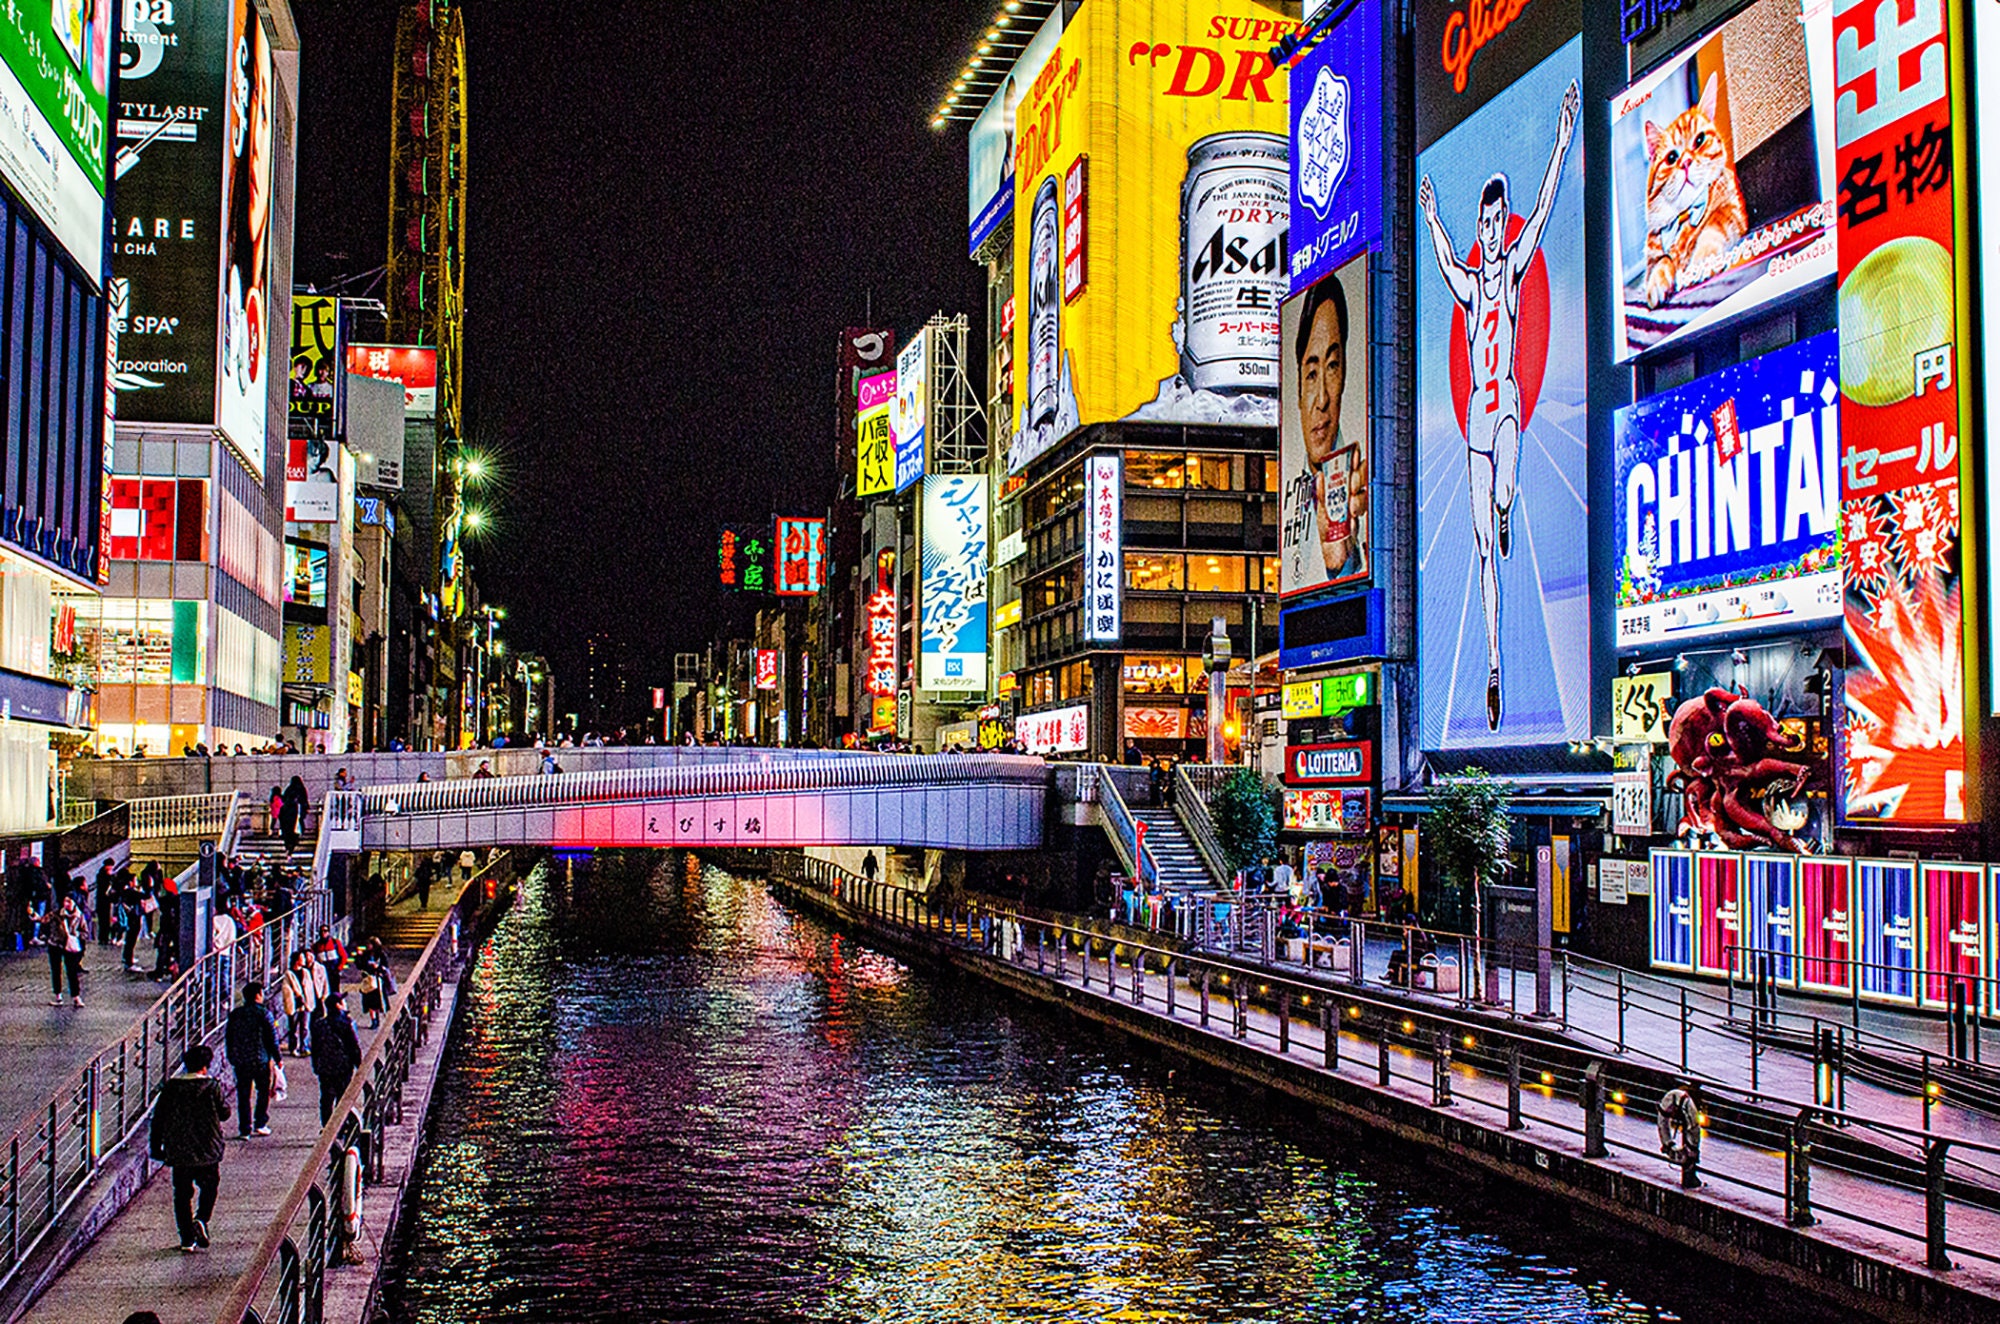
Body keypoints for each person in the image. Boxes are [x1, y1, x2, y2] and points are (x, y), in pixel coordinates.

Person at [1419, 78, 1578, 730]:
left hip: (1505, 402)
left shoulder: (1509, 271)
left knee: (1505, 494)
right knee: (1484, 551)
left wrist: (1563, 138)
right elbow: (1445, 261)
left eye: (1494, 219)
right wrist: (1431, 218)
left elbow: (1543, 209)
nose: (1489, 230)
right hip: (1475, 425)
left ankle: (1508, 507)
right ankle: (1490, 664)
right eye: (1482, 223)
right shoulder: (1468, 279)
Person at [149, 1044, 228, 1253]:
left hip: (180, 1150)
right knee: (209, 1187)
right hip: (208, 1148)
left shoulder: (171, 1088)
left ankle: (186, 1239)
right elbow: (225, 1113)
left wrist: (156, 1147)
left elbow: (158, 1120)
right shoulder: (212, 1087)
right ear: (205, 1065)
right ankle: (202, 1219)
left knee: (182, 1194)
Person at [224, 981, 282, 1138]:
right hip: (260, 1060)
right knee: (263, 1092)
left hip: (241, 1061)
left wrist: (232, 1056)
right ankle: (260, 1123)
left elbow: (229, 1038)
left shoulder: (235, 1014)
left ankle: (245, 1129)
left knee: (243, 1095)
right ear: (258, 995)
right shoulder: (264, 1014)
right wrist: (278, 1057)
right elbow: (272, 1038)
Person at [311, 992, 363, 1125]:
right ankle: (341, 1125)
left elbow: (315, 1048)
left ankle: (326, 1126)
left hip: (325, 1067)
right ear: (338, 1005)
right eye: (342, 1002)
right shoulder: (346, 1024)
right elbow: (353, 1046)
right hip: (343, 1066)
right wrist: (359, 1065)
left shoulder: (319, 1025)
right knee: (342, 1097)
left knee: (326, 1098)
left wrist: (316, 1066)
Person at [280, 949, 322, 1055]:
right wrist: (297, 994)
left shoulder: (306, 972)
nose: (304, 960)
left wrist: (309, 1001)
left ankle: (304, 1046)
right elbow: (286, 989)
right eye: (302, 958)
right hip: (294, 1004)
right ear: (296, 960)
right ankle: (293, 1047)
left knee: (305, 1027)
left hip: (305, 1003)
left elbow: (309, 988)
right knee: (293, 1027)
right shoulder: (289, 974)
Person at [46, 891, 85, 1006]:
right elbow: (44, 919)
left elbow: (85, 932)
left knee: (72, 971)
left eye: (69, 901)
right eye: (65, 901)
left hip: (70, 946)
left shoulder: (79, 916)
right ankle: (58, 995)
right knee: (56, 970)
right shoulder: (57, 914)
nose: (66, 904)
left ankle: (76, 996)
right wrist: (32, 914)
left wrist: (76, 935)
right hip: (55, 944)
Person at [313, 924, 348, 995]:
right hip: (323, 971)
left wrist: (339, 968)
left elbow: (344, 956)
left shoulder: (335, 943)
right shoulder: (316, 946)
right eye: (321, 931)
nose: (323, 933)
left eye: (325, 931)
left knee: (335, 990)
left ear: (328, 932)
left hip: (334, 970)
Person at [279, 776, 309, 854]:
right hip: (296, 812)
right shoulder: (301, 789)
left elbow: (284, 799)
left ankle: (288, 846)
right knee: (297, 827)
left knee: (289, 830)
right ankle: (295, 841)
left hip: (288, 814)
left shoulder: (289, 789)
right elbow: (304, 800)